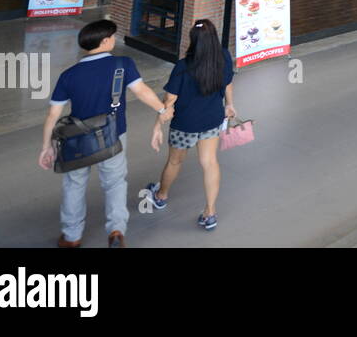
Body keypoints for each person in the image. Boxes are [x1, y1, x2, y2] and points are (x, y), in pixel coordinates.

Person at [40, 19, 172, 248]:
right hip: (113, 136)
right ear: (104, 41)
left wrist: (47, 146)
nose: (113, 39)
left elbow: (53, 114)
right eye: (111, 36)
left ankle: (72, 237)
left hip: (77, 140)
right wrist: (162, 109)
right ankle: (116, 232)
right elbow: (141, 91)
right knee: (115, 183)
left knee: (74, 185)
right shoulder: (123, 64)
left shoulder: (69, 75)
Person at [144, 19, 235, 232]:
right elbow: (228, 82)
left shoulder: (183, 66)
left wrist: (157, 125)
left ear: (193, 40)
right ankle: (210, 213)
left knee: (175, 162)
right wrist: (229, 104)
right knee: (209, 162)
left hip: (185, 124)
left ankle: (161, 196)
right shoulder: (223, 56)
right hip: (212, 119)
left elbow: (169, 102)